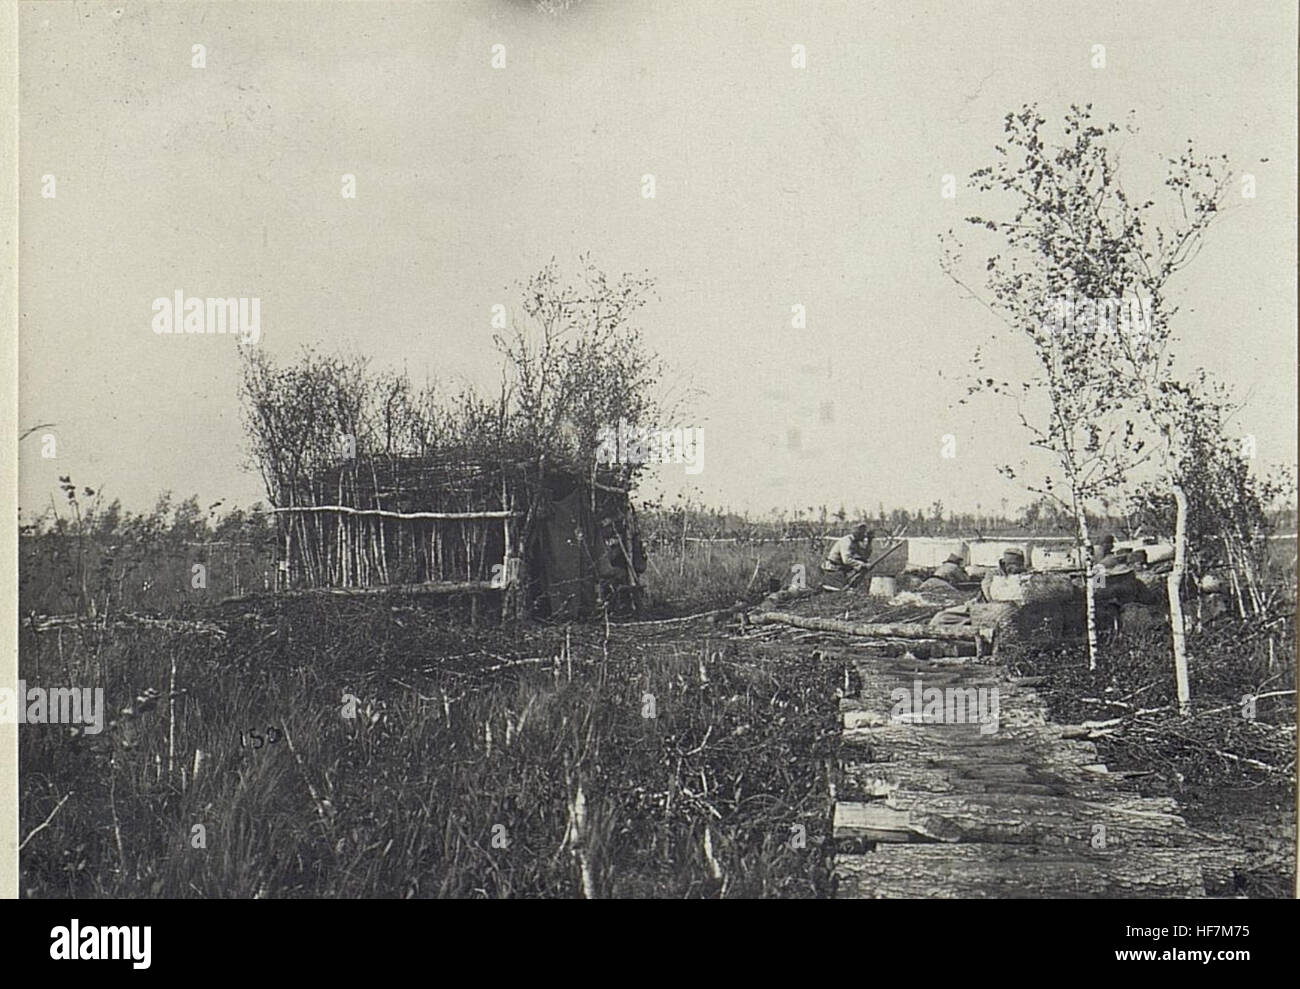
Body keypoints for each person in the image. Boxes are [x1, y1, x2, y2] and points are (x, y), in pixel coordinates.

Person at [821, 524, 875, 589]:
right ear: (857, 533)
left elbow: (864, 556)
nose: (864, 536)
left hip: (841, 568)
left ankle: (852, 586)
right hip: (833, 569)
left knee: (863, 565)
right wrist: (864, 565)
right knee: (840, 590)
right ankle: (849, 586)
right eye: (863, 533)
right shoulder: (847, 542)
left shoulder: (855, 542)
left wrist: (869, 542)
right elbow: (846, 560)